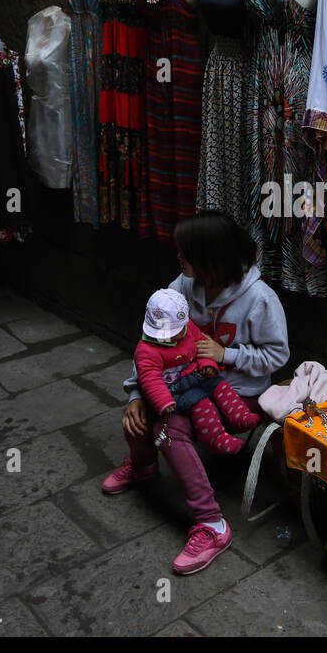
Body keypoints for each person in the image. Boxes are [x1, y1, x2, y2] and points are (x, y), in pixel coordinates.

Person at [105, 211, 289, 574]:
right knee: (143, 416)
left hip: (237, 393)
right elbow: (151, 347)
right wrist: (136, 396)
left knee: (167, 428)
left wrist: (227, 354)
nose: (178, 258)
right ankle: (142, 466)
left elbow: (277, 355)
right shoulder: (180, 289)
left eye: (185, 253)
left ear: (210, 258)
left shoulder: (260, 299)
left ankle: (212, 525)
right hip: (185, 386)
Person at [135, 287, 262, 456]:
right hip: (174, 391)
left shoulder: (187, 327)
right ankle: (215, 439)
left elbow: (202, 343)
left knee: (220, 385)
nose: (179, 335)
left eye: (179, 330)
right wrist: (163, 401)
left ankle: (240, 416)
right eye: (172, 333)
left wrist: (207, 364)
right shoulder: (147, 351)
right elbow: (150, 379)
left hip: (196, 375)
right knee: (201, 403)